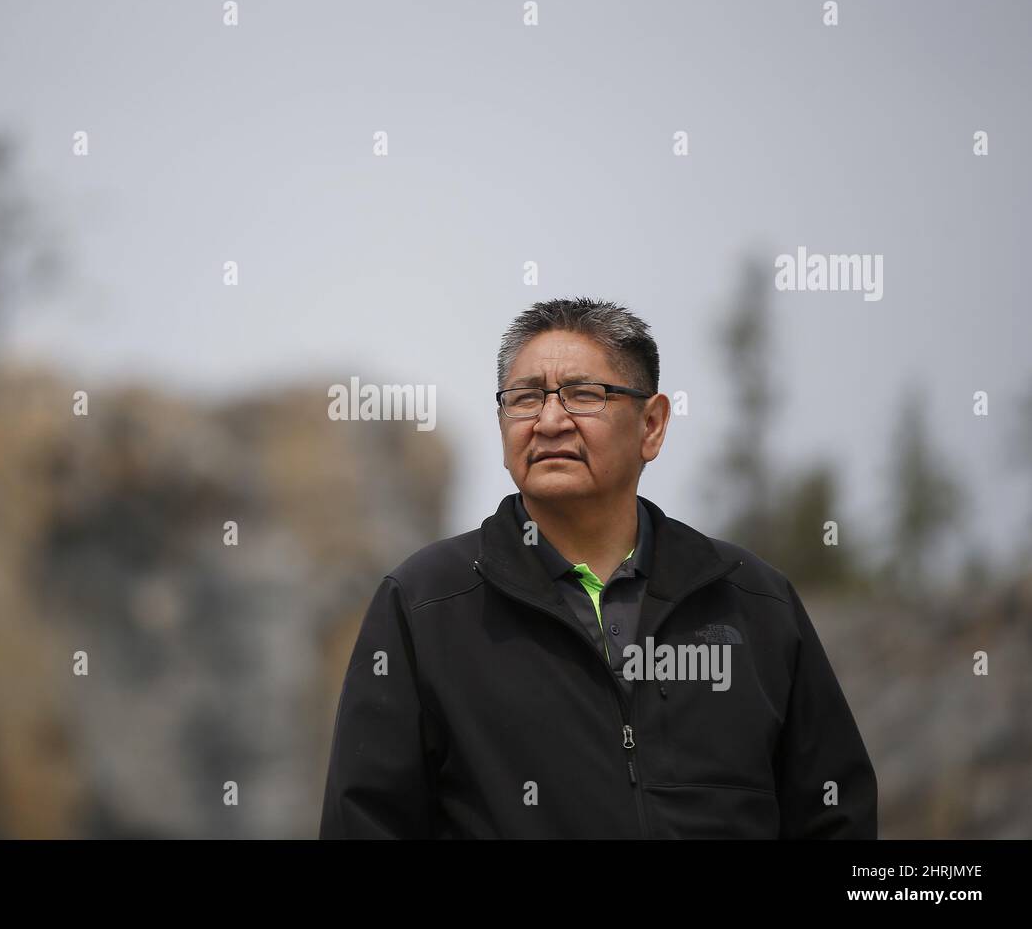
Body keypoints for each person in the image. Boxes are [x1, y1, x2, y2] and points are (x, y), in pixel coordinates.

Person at [319, 297, 877, 838]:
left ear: (652, 425)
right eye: (526, 397)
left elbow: (835, 817)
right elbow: (366, 822)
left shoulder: (753, 603)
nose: (551, 420)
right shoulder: (426, 604)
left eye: (584, 395)